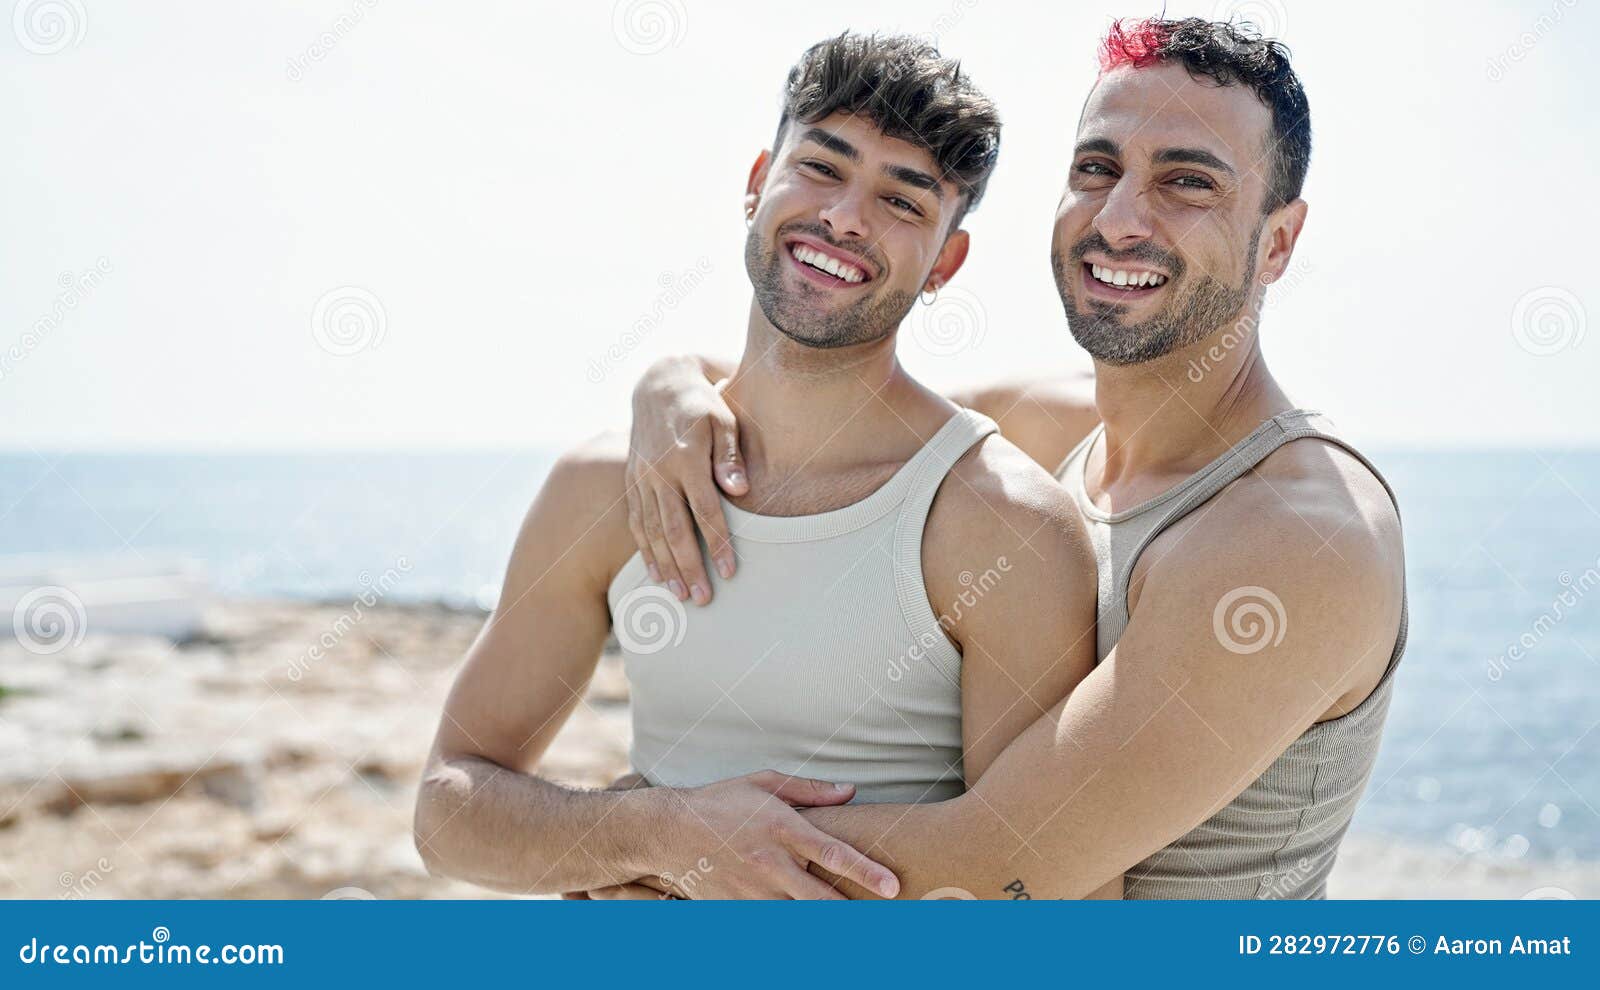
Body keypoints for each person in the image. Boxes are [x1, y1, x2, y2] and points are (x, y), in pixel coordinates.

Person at [620, 17, 1407, 899]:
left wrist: (664, 842)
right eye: (1097, 169)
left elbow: (1010, 864)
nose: (1119, 219)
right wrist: (670, 385)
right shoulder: (1056, 424)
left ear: (1279, 242)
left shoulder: (1297, 537)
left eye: (1187, 183)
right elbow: (816, 392)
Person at [413, 32, 1112, 900]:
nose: (847, 217)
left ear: (945, 262)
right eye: (822, 167)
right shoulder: (606, 488)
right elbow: (449, 812)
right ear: (756, 184)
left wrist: (711, 861)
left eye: (902, 200)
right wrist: (653, 833)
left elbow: (1049, 893)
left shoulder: (1002, 524)